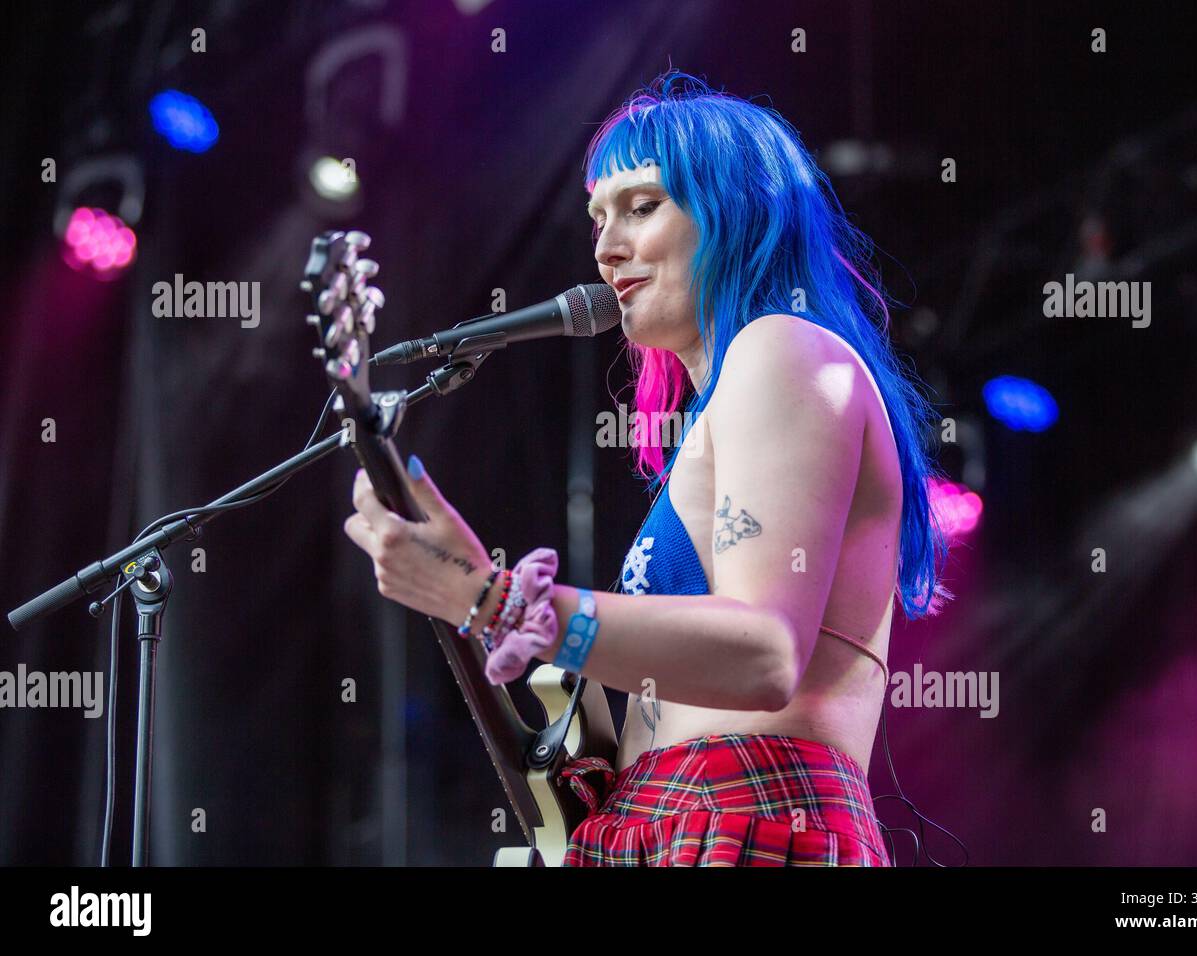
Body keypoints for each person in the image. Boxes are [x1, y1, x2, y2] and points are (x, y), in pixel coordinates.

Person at [343, 71, 950, 867]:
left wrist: (499, 604)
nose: (605, 247)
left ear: (740, 210)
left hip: (745, 814)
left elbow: (764, 653)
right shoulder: (729, 403)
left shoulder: (784, 350)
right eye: (597, 217)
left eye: (641, 206)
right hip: (668, 823)